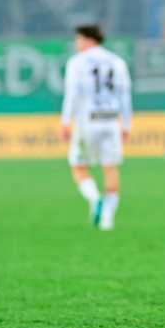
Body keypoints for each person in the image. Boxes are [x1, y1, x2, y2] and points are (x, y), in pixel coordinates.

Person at [60, 25, 132, 231]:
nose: (76, 44)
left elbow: (72, 94)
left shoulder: (77, 63)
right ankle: (108, 219)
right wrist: (126, 124)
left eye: (79, 40)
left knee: (78, 166)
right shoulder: (117, 62)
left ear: (88, 40)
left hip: (87, 121)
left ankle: (94, 199)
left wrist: (66, 121)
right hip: (110, 119)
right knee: (110, 168)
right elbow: (124, 95)